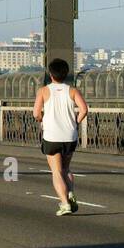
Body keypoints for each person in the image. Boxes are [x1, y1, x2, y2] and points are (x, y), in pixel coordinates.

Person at [32, 58, 87, 215]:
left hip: (52, 136)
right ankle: (70, 192)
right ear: (66, 73)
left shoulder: (43, 91)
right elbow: (84, 109)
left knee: (56, 171)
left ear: (50, 74)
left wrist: (42, 120)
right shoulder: (73, 91)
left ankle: (64, 203)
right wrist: (75, 122)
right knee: (66, 168)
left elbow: (36, 113)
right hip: (70, 136)